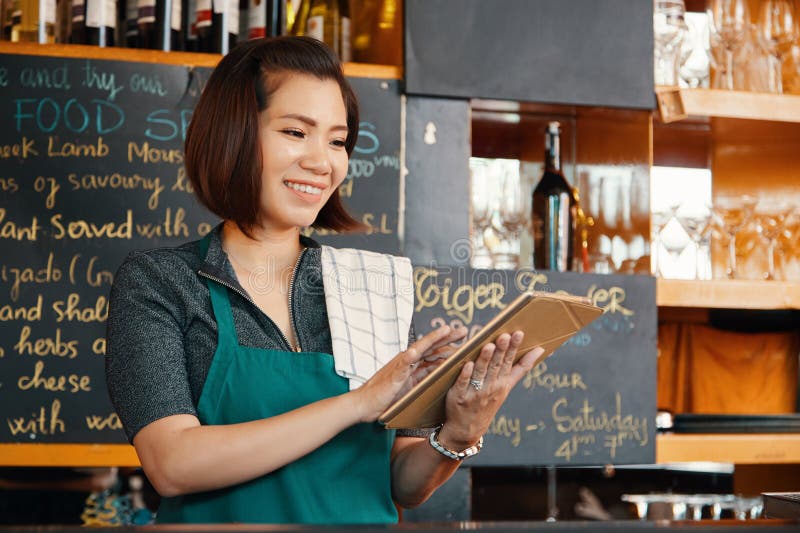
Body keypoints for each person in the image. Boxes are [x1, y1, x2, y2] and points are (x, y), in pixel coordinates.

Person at [105, 36, 544, 524]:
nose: (322, 161)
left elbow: (401, 482)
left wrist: (457, 434)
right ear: (233, 134)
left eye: (337, 141)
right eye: (296, 132)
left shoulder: (373, 286)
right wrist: (356, 404)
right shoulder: (161, 283)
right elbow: (173, 464)